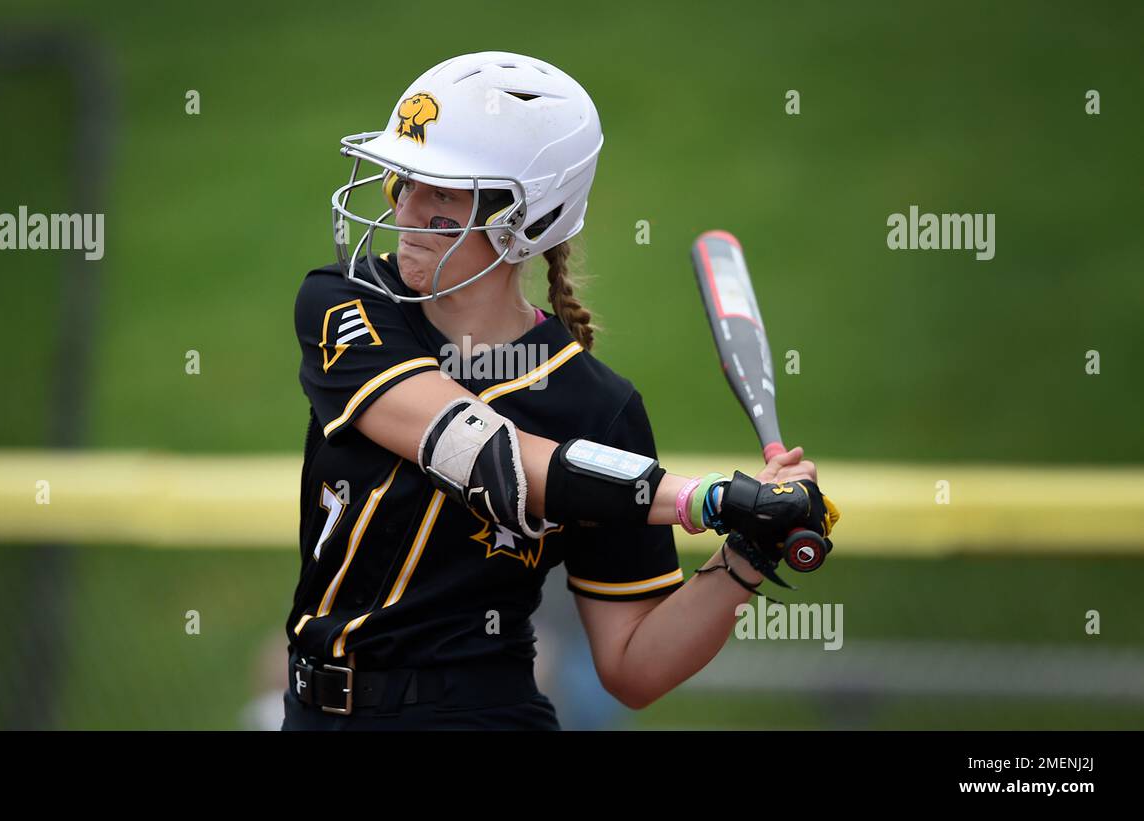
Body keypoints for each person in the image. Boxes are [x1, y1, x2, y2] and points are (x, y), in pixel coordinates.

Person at [281, 51, 838, 730]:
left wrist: (748, 551)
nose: (404, 205)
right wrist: (709, 498)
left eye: (443, 192)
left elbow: (635, 667)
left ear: (527, 219)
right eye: (406, 180)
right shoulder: (347, 302)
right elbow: (475, 449)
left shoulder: (598, 405)